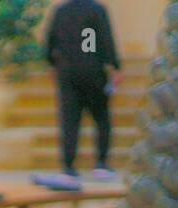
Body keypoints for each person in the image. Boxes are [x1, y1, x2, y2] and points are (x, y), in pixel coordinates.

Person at [45, 0, 121, 178]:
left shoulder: (61, 11)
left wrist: (51, 63)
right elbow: (104, 38)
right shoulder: (97, 10)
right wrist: (114, 66)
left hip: (67, 71)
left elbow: (51, 38)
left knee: (69, 120)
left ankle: (68, 166)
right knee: (101, 117)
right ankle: (101, 163)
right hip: (92, 70)